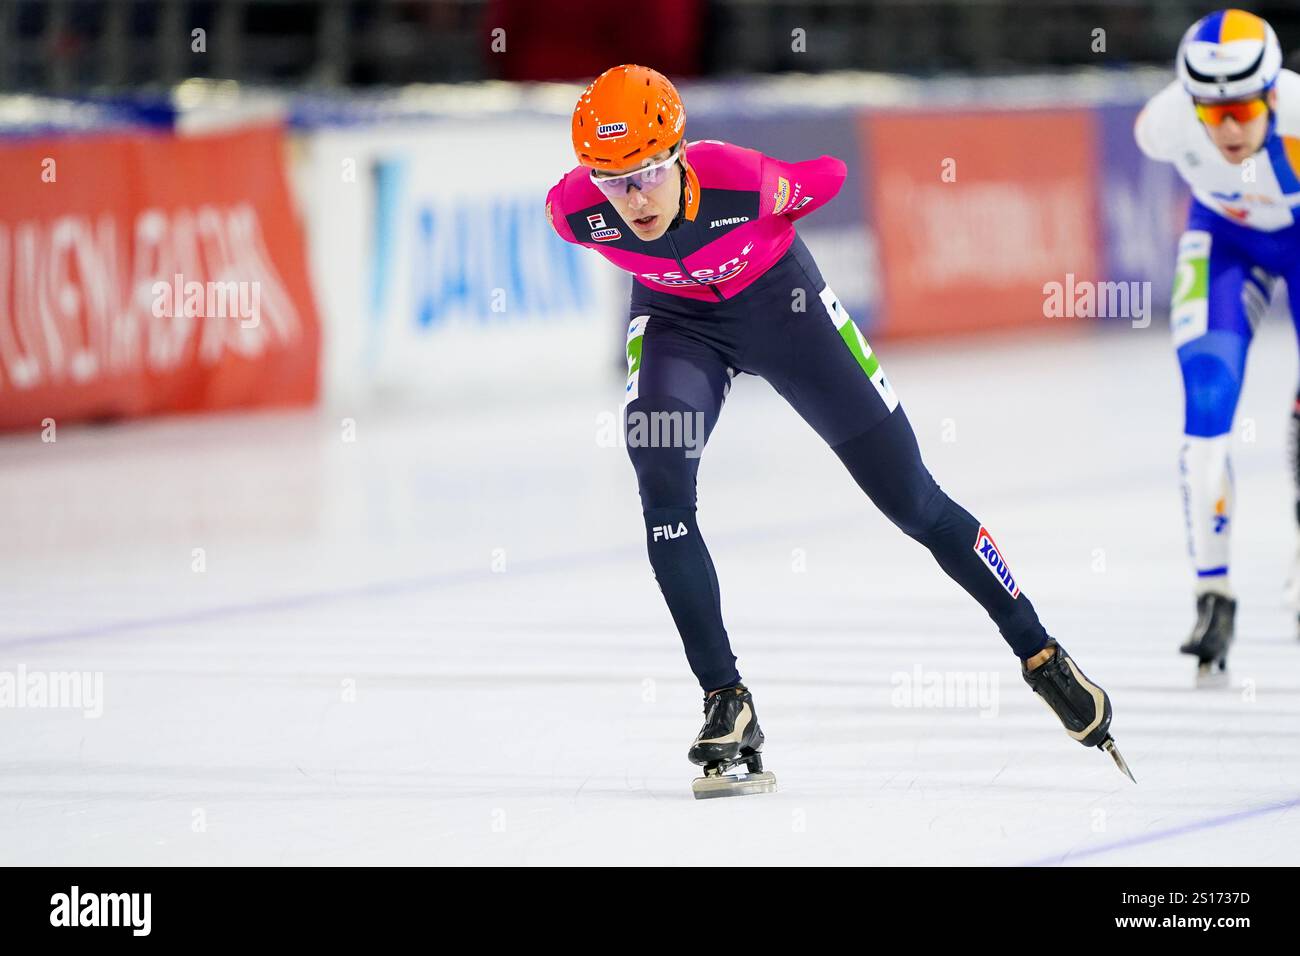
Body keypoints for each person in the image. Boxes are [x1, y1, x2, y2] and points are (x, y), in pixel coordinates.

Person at [547, 64, 1131, 796]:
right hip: (675, 327)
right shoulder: (573, 211)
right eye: (611, 180)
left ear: (681, 154)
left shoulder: (742, 180)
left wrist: (776, 219)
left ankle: (1042, 653)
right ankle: (726, 701)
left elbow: (826, 173)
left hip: (782, 310)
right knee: (661, 488)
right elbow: (601, 204)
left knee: (912, 502)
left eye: (647, 174)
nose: (632, 198)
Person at [1135, 9, 1300, 683]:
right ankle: (1213, 596)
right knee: (1206, 402)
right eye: (1212, 112)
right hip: (1224, 241)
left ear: (1272, 97)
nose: (1228, 129)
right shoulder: (1162, 125)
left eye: (1241, 110)